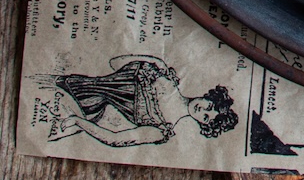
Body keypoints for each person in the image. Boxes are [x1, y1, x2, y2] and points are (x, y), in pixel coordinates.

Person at [53, 53, 238, 147]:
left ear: (202, 125)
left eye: (206, 117)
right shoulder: (163, 71)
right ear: (208, 97)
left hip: (77, 109)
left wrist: (78, 122)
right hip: (64, 79)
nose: (202, 110)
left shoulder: (161, 128)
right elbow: (115, 63)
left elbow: (115, 140)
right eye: (209, 106)